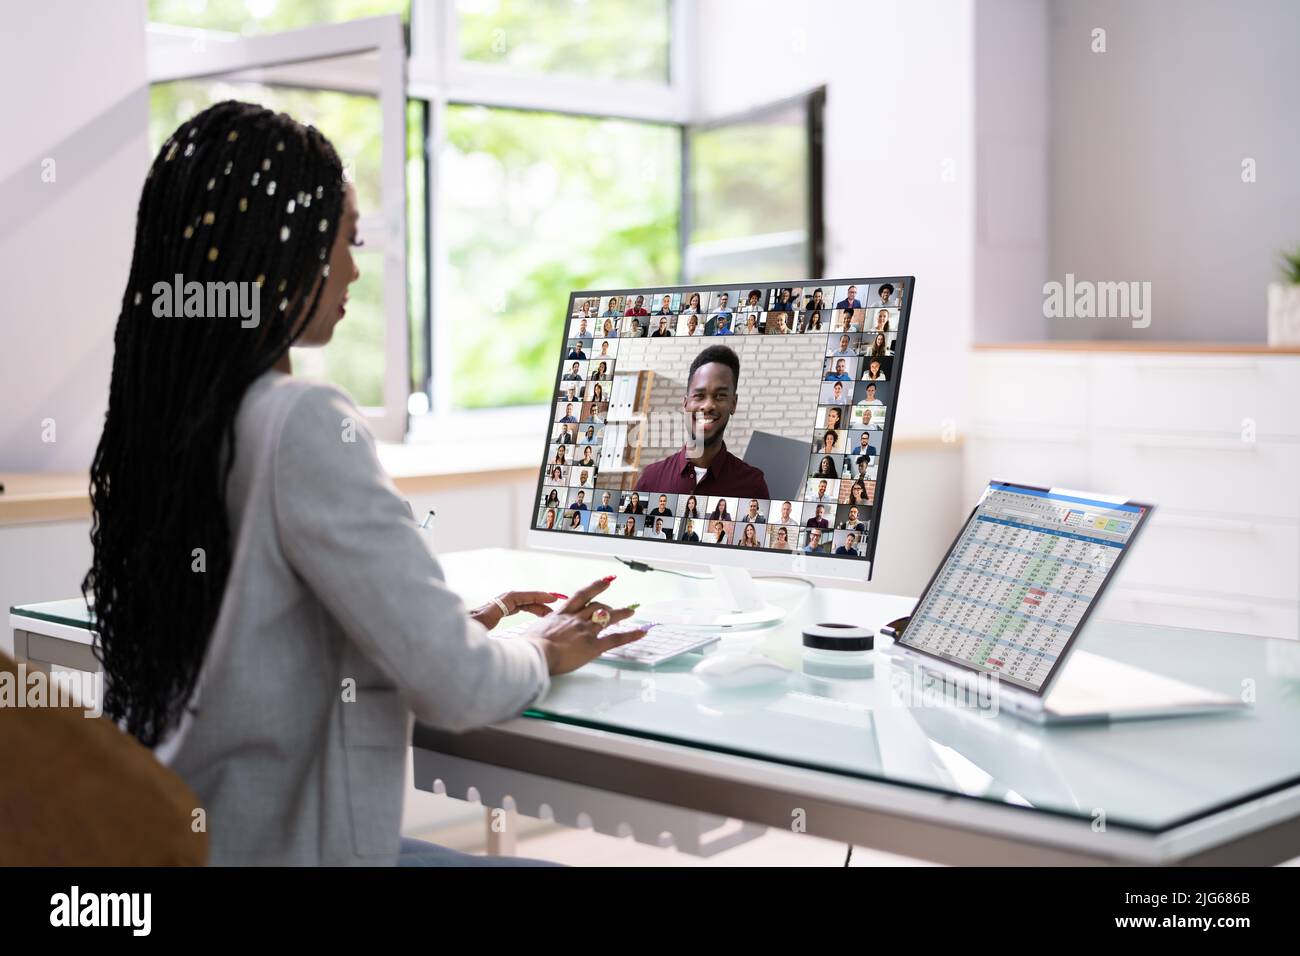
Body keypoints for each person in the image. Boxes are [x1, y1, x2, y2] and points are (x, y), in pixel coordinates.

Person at [84, 99, 652, 869]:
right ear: (275, 251)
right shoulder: (302, 422)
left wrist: (452, 624)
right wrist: (538, 650)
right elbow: (460, 691)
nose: (354, 267)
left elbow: (269, 641)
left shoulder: (165, 424)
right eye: (345, 240)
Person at [635, 345, 769, 499]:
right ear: (685, 403)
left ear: (733, 403)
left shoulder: (753, 486)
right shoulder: (651, 479)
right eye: (699, 395)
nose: (707, 405)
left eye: (720, 396)